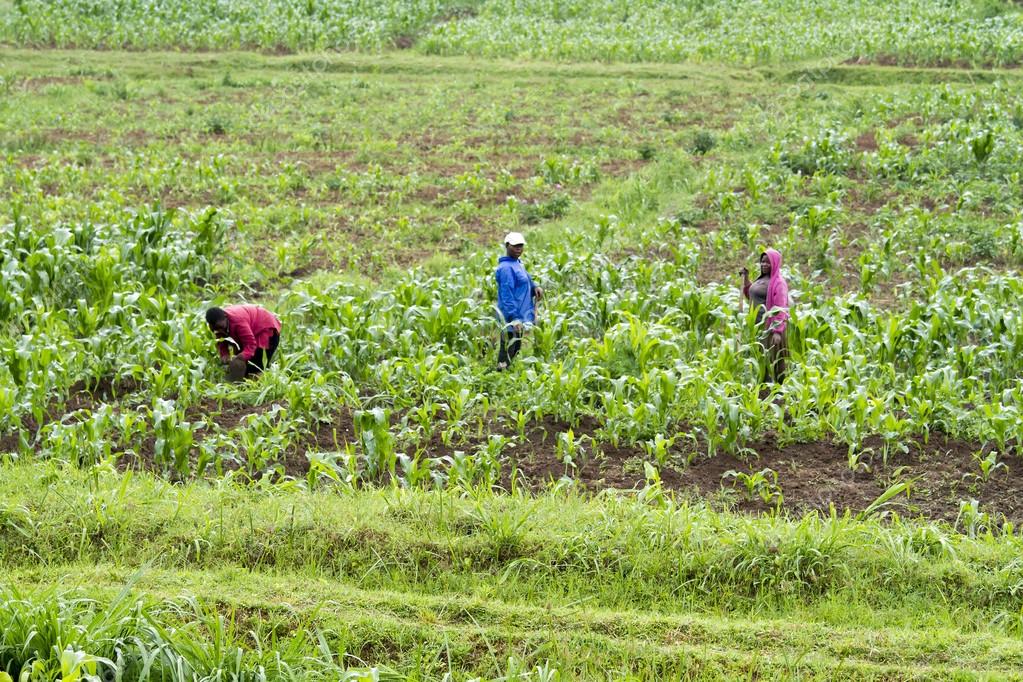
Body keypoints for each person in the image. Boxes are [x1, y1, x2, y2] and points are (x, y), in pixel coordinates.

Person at [495, 232, 542, 370]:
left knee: (516, 348)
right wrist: (514, 318)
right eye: (515, 246)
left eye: (520, 245)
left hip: (520, 314)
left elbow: (526, 279)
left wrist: (535, 287)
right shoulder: (506, 268)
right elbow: (507, 296)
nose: (518, 249)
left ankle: (508, 373)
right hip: (511, 317)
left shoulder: (517, 263)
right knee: (508, 349)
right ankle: (500, 373)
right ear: (507, 246)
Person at [741, 248, 789, 383]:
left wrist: (777, 331)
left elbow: (781, 308)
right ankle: (761, 386)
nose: (764, 264)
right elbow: (751, 296)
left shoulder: (778, 283)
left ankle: (776, 390)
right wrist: (746, 278)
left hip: (768, 329)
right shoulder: (761, 279)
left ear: (775, 263)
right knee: (759, 358)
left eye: (768, 262)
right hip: (756, 327)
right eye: (762, 261)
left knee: (772, 360)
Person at [205, 304, 282, 379]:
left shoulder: (238, 321)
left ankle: (261, 382)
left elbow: (251, 345)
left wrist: (240, 357)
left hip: (266, 329)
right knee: (240, 366)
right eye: (215, 329)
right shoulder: (217, 325)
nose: (220, 331)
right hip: (252, 330)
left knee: (255, 366)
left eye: (220, 327)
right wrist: (224, 354)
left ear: (225, 317)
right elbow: (221, 341)